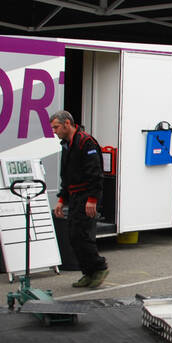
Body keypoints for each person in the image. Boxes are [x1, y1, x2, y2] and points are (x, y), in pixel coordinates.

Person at [50, 110, 108, 288]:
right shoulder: (66, 144)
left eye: (56, 127)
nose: (54, 131)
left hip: (86, 196)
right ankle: (88, 272)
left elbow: (96, 174)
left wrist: (92, 199)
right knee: (73, 236)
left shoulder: (86, 142)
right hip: (75, 196)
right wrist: (62, 199)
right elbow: (66, 176)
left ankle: (99, 268)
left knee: (81, 234)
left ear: (67, 123)